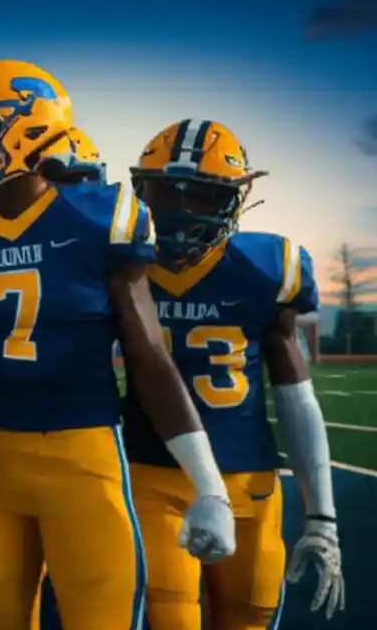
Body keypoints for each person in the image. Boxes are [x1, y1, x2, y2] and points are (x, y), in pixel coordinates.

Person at [0, 59, 237, 629]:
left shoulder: (102, 218)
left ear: (27, 128)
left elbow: (149, 361)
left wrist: (210, 488)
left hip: (85, 457)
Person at [124, 119, 345, 628]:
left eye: (200, 197)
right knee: (171, 617)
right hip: (150, 477)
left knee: (248, 616)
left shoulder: (269, 266)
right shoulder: (124, 263)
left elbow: (296, 396)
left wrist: (322, 517)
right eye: (164, 192)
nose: (178, 214)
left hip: (249, 480)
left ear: (233, 200)